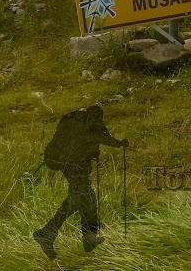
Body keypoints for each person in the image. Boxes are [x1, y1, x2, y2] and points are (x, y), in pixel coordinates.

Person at [33, 105, 127, 260]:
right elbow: (88, 141)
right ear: (89, 115)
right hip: (69, 163)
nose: (96, 122)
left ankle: (83, 237)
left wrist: (119, 143)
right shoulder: (76, 123)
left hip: (77, 164)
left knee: (85, 197)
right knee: (82, 197)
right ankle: (50, 234)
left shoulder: (94, 123)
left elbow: (104, 137)